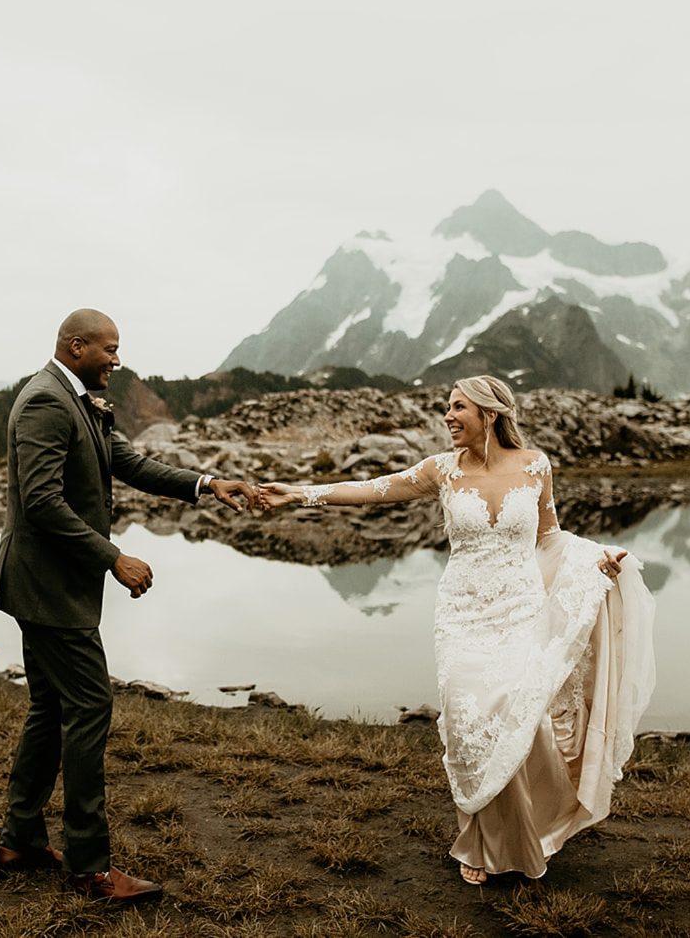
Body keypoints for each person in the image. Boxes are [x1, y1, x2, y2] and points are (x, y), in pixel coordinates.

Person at [260, 375, 656, 885]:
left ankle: (526, 829)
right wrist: (296, 495)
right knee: (469, 722)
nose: (447, 416)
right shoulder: (442, 471)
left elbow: (549, 536)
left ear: (489, 414)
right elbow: (370, 491)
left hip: (519, 610)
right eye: (447, 407)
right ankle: (480, 842)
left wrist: (595, 558)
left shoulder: (535, 465)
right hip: (462, 614)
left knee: (522, 720)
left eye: (457, 407)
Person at [0, 308, 261, 903]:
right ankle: (89, 865)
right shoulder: (45, 402)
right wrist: (112, 557)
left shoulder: (79, 399)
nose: (117, 359)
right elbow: (39, 502)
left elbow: (131, 464)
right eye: (109, 349)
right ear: (75, 345)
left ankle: (20, 839)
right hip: (46, 586)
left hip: (49, 585)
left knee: (49, 708)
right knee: (89, 705)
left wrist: (209, 484)